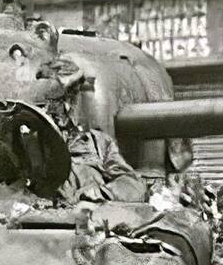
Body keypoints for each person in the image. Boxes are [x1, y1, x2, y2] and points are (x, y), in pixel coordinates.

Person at [34, 56, 147, 206]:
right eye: (55, 100)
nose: (66, 106)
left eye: (71, 96)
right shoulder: (29, 143)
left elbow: (133, 184)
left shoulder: (99, 143)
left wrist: (103, 192)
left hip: (89, 219)